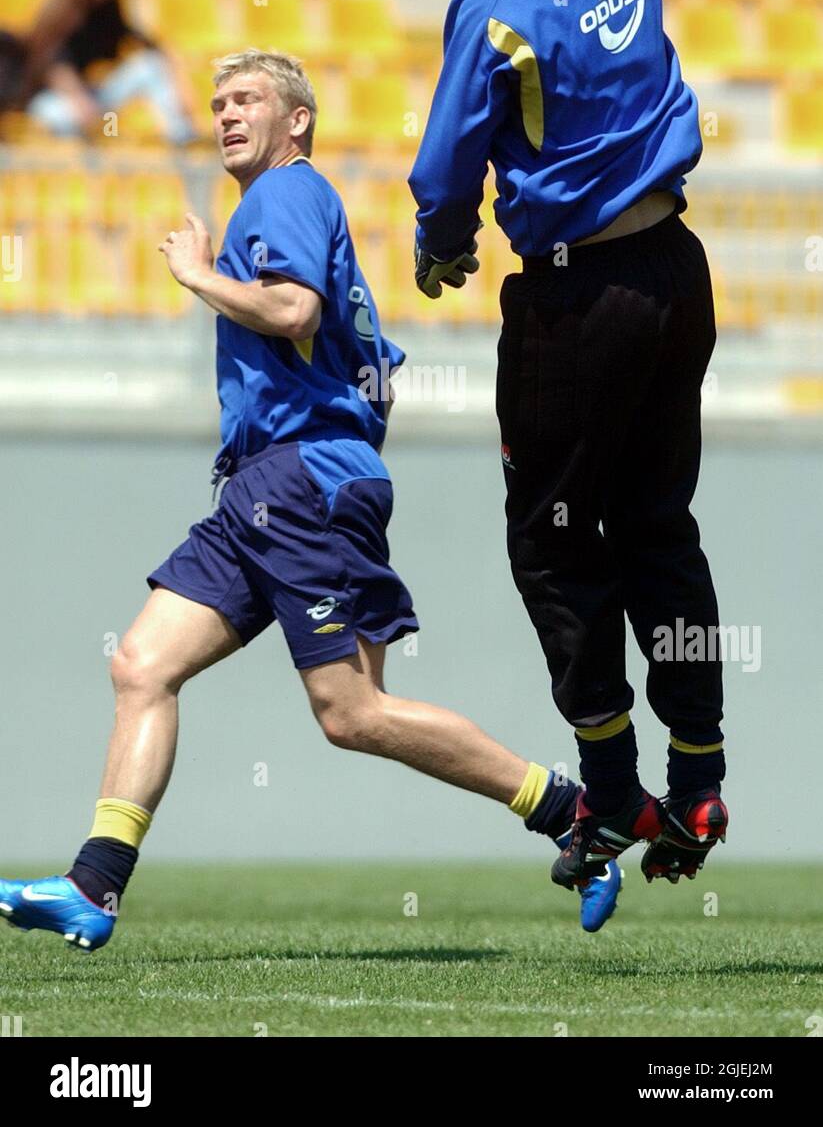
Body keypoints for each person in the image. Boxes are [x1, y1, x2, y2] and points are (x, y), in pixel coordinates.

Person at [0, 48, 622, 952]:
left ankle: (568, 809)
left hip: (295, 483)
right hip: (270, 483)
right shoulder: (283, 203)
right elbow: (368, 372)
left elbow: (291, 311)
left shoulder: (286, 193)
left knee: (353, 714)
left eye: (247, 99)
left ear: (297, 121)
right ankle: (94, 885)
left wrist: (197, 276)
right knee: (141, 664)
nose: (224, 114)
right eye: (216, 102)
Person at [276, 0, 729, 893]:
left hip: (579, 304)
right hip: (675, 272)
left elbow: (443, 171)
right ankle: (700, 772)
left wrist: (440, 245)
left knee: (553, 542)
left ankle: (611, 789)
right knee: (659, 528)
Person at [23, 0, 195, 144]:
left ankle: (182, 137)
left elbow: (146, 43)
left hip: (92, 95)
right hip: (55, 98)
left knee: (149, 65)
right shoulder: (61, 15)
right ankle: (74, 165)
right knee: (57, 116)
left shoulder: (107, 11)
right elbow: (52, 64)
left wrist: (181, 83)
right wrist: (78, 99)